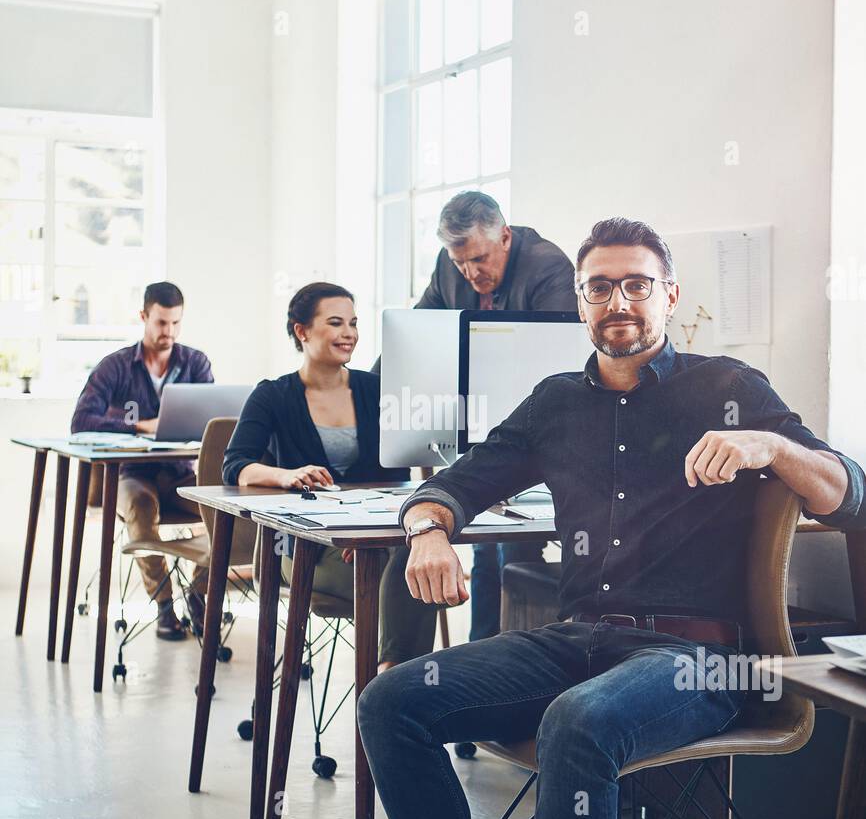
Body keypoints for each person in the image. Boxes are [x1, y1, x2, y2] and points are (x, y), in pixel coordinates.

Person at [352, 216, 866, 819]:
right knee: (393, 700)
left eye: (636, 284)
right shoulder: (557, 402)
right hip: (578, 635)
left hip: (702, 659)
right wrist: (427, 529)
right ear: (580, 301)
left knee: (579, 722)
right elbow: (459, 481)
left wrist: (770, 445)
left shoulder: (728, 385)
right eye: (600, 286)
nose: (617, 301)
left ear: (669, 295)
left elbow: (848, 495)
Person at [222, 282, 437, 671]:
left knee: (422, 554)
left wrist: (364, 534)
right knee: (407, 570)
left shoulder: (375, 390)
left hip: (373, 538)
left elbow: (397, 472)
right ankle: (395, 686)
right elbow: (236, 465)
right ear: (301, 331)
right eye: (336, 323)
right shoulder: (272, 395)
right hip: (307, 547)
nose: (349, 333)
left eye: (353, 323)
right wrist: (286, 475)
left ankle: (389, 677)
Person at [407, 189, 579, 642]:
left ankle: (516, 650)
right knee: (483, 539)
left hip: (541, 426)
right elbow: (416, 334)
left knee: (505, 546)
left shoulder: (548, 267)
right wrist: (366, 391)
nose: (470, 272)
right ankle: (482, 651)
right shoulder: (451, 266)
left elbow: (559, 366)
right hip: (481, 424)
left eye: (479, 259)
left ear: (504, 236)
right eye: (461, 262)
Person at [70, 281, 213, 641]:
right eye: (162, 323)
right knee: (140, 505)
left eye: (176, 323)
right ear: (144, 317)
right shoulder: (116, 366)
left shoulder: (195, 363)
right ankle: (164, 606)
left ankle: (198, 596)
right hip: (131, 475)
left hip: (181, 473)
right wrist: (137, 428)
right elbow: (81, 421)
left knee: (224, 511)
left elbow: (211, 421)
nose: (169, 332)